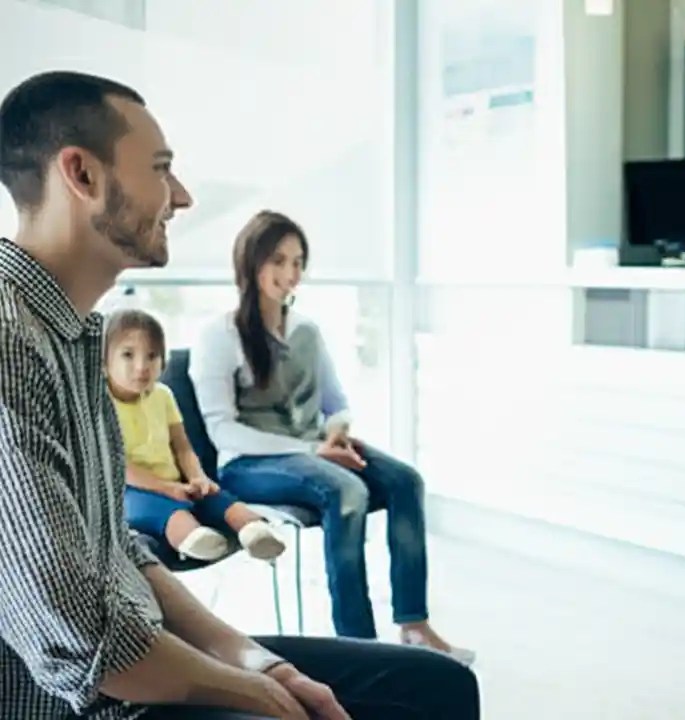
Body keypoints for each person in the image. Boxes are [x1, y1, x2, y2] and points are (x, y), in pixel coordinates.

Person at [0, 70, 479, 719]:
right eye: (162, 170)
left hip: (147, 657)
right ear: (82, 176)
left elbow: (121, 549)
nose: (183, 196)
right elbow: (84, 645)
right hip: (91, 704)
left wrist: (261, 663)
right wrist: (261, 695)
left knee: (432, 686)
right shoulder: (11, 347)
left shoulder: (81, 336)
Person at [189, 209, 473, 664]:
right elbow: (223, 430)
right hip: (250, 464)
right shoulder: (217, 336)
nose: (290, 273)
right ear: (251, 262)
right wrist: (313, 449)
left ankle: (413, 626)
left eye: (298, 261)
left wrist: (338, 433)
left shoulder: (306, 331)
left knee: (405, 481)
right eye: (278, 260)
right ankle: (358, 645)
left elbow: (336, 402)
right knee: (345, 490)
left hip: (317, 450)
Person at [105, 308, 288, 562]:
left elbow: (183, 448)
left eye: (152, 356)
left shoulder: (163, 395)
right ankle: (193, 539)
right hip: (130, 491)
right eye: (128, 355)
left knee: (219, 499)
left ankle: (256, 532)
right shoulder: (100, 404)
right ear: (104, 362)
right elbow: (119, 466)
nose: (141, 367)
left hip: (177, 482)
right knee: (168, 513)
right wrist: (168, 488)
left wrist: (197, 477)